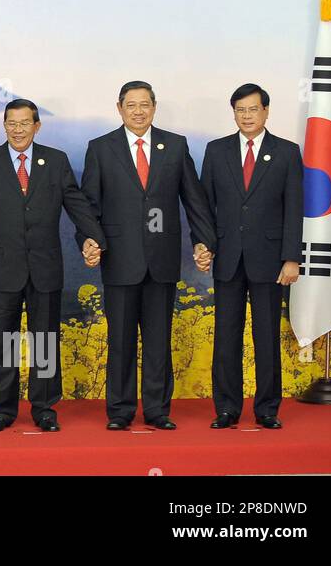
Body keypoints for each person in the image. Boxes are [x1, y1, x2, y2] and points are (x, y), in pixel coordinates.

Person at [0, 98, 106, 432]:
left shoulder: (56, 161)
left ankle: (44, 408)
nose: (18, 130)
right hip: (2, 267)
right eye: (12, 124)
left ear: (37, 126)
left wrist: (93, 237)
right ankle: (1, 410)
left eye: (25, 123)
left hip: (45, 266)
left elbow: (77, 203)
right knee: (1, 341)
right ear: (4, 126)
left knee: (44, 339)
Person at [80, 80, 215, 431]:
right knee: (120, 341)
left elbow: (195, 200)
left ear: (154, 107)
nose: (138, 111)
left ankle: (157, 410)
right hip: (119, 260)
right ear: (119, 107)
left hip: (162, 259)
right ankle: (120, 411)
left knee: (158, 340)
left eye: (144, 104)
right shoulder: (100, 148)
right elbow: (88, 205)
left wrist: (203, 241)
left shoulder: (175, 145)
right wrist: (89, 240)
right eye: (131, 105)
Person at [199, 84, 302, 429]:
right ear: (234, 113)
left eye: (253, 109)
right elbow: (204, 206)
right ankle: (226, 408)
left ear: (266, 112)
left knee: (266, 336)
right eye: (240, 110)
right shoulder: (217, 151)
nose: (247, 116)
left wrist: (291, 258)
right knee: (226, 336)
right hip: (227, 257)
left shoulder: (287, 152)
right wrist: (204, 243)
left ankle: (267, 409)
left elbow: (294, 208)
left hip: (270, 260)